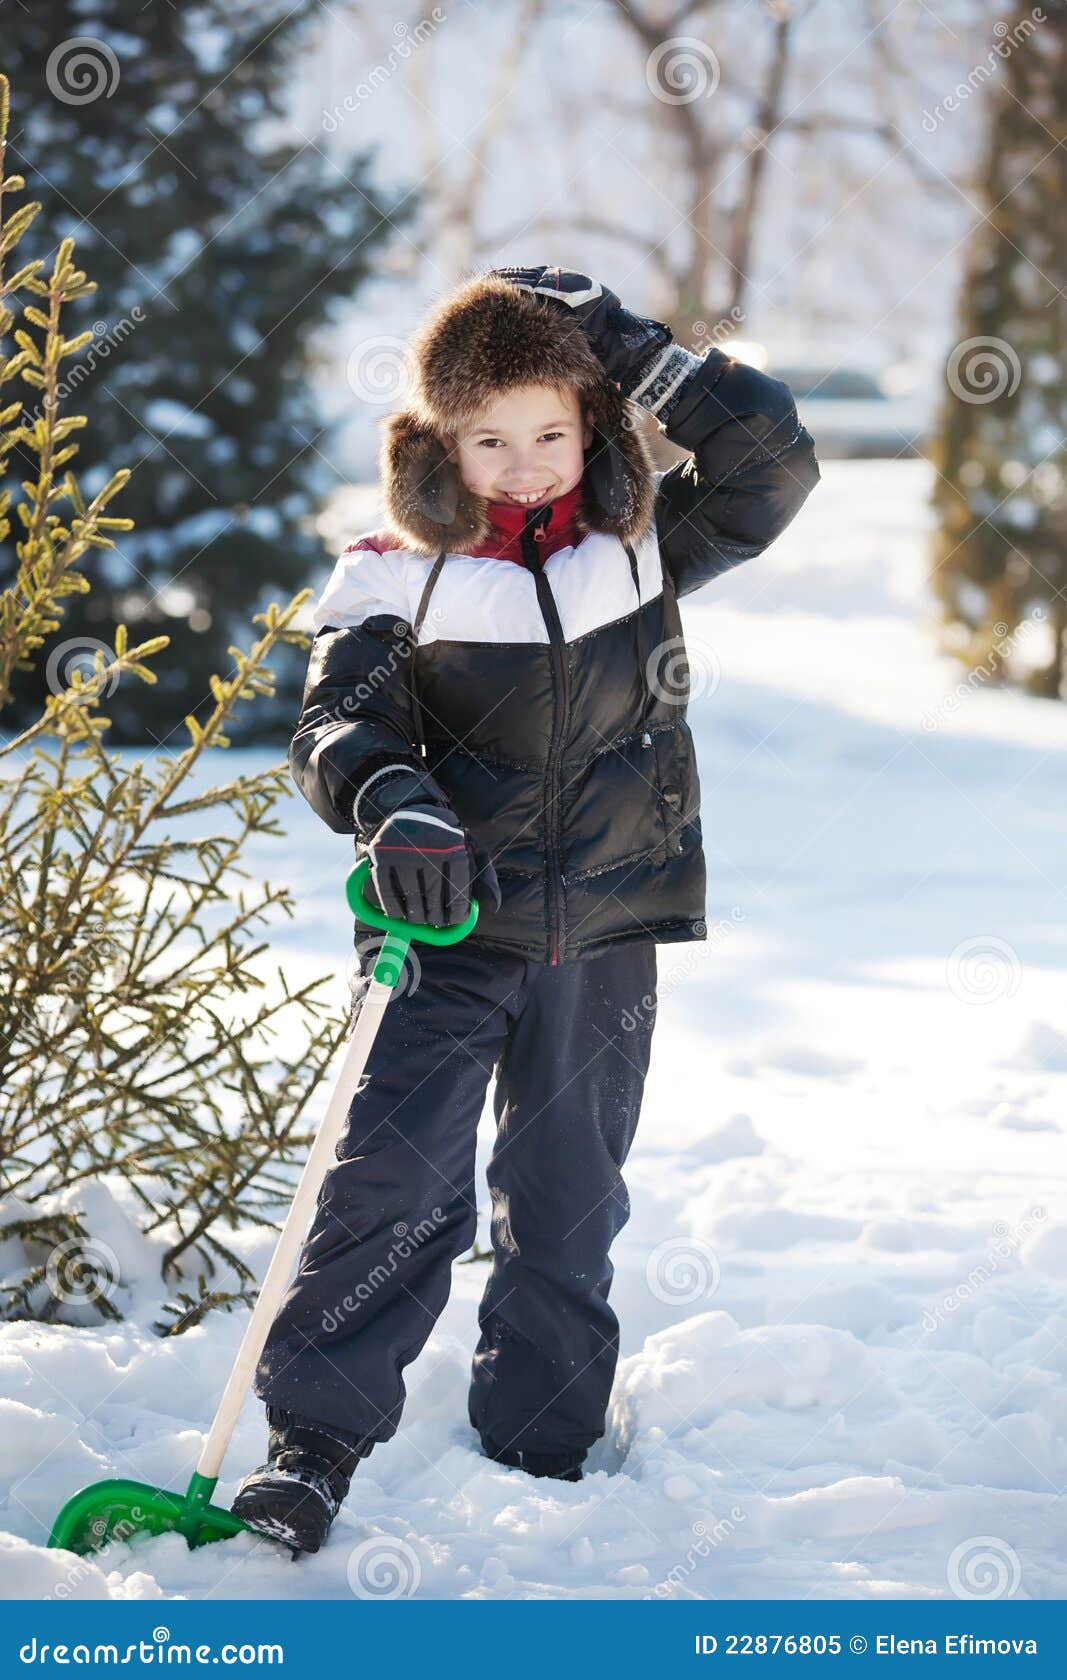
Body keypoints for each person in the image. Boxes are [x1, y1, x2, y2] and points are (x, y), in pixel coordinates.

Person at [230, 267, 820, 1553]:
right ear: (438, 437)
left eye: (550, 431)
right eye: (487, 438)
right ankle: (312, 1447)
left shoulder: (636, 547)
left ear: (593, 427)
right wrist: (392, 797)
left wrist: (633, 348)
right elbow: (338, 718)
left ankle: (541, 1443)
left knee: (568, 1189)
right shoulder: (394, 572)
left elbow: (774, 464)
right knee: (393, 1180)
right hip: (445, 925)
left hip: (605, 931)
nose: (521, 465)